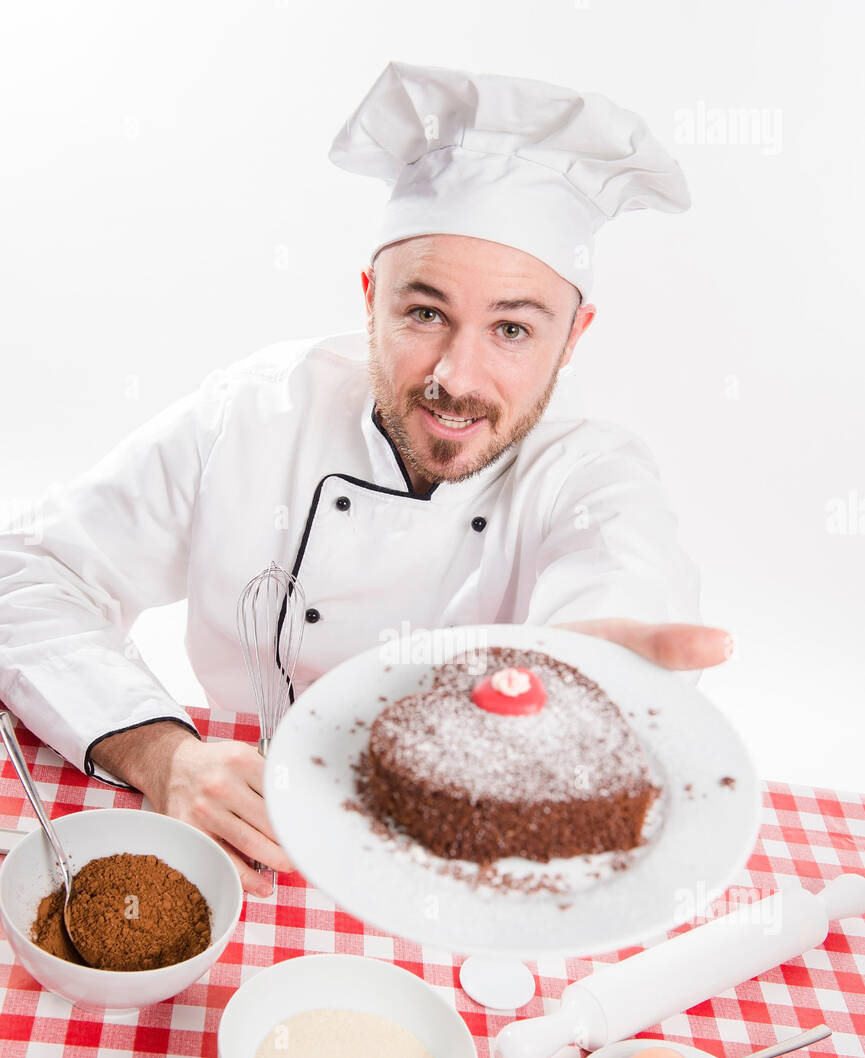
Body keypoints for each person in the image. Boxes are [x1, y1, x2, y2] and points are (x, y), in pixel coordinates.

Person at [0, 61, 731, 897]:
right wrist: (164, 754)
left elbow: (622, 586)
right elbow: (26, 573)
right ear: (369, 297)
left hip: (452, 852)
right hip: (232, 824)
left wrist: (584, 682)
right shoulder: (255, 413)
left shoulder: (588, 475)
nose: (457, 376)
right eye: (425, 313)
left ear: (573, 337)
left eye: (513, 330)